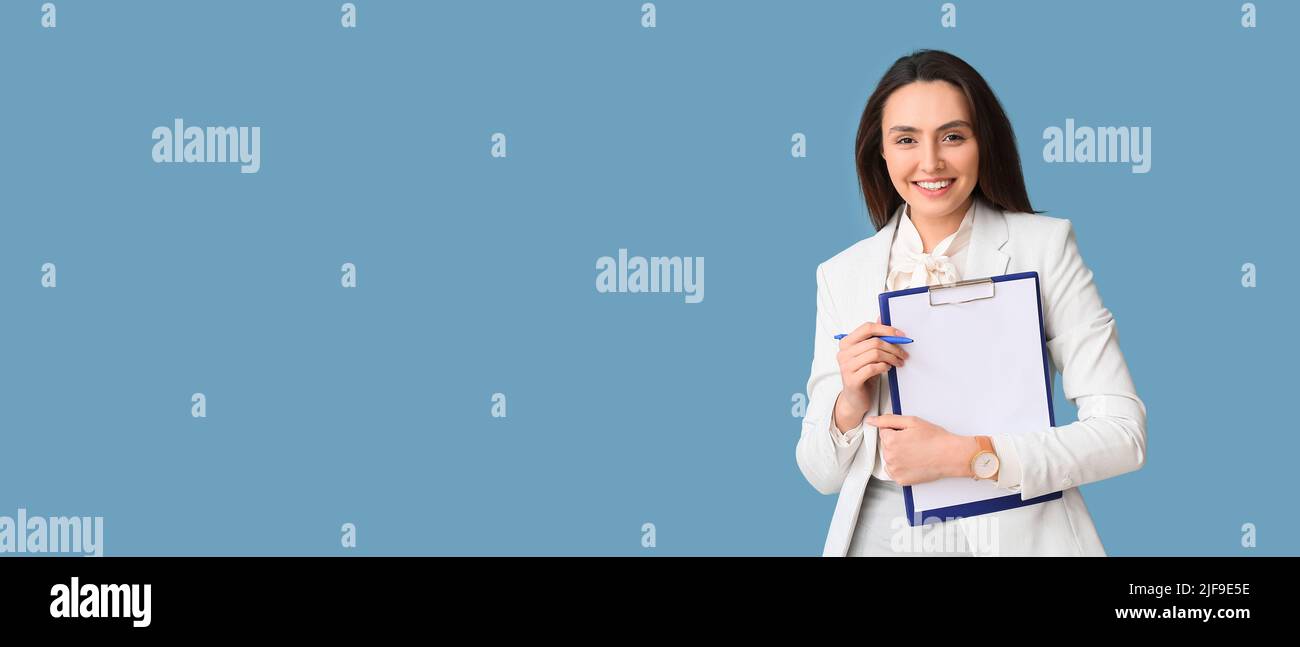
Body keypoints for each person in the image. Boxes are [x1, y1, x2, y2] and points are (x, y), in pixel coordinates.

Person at [795, 50, 1147, 556]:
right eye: (906, 140)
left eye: (953, 136)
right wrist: (850, 402)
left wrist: (969, 456)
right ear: (882, 152)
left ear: (984, 144)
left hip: (1017, 529)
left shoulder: (1043, 247)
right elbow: (820, 474)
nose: (931, 161)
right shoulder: (842, 274)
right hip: (879, 536)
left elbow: (1123, 435)